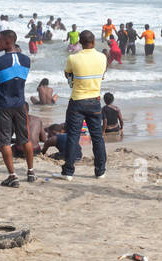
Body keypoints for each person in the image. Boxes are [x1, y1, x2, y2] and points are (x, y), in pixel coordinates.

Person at [0, 29, 34, 188]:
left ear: (7, 42)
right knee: (25, 138)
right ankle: (31, 171)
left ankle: (13, 176)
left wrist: (0, 82)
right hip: (20, 103)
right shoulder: (26, 60)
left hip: (3, 104)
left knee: (4, 142)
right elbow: (18, 78)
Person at [61, 30, 108, 179]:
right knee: (97, 137)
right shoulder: (102, 57)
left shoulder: (72, 58)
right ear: (93, 41)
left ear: (80, 43)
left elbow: (67, 74)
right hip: (94, 100)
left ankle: (68, 171)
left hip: (77, 101)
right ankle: (100, 171)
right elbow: (103, 75)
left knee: (73, 137)